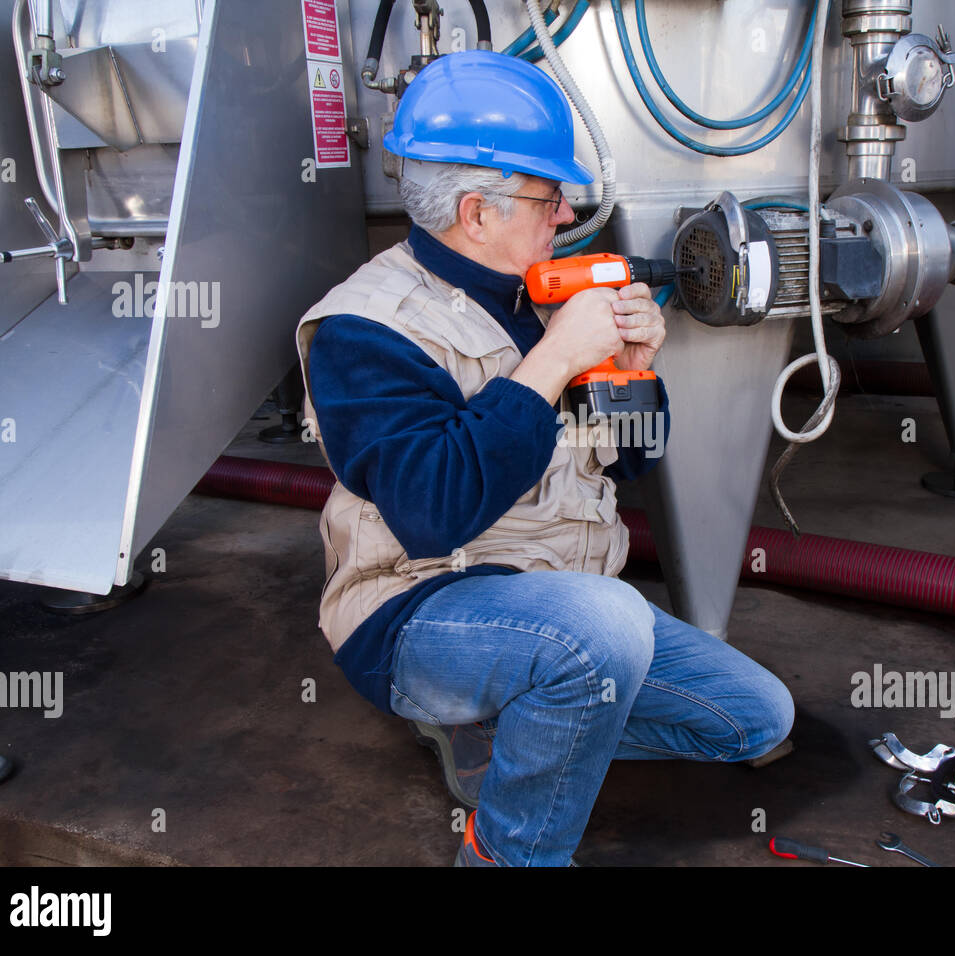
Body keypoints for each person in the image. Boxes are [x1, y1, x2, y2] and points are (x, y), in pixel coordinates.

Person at [295, 50, 794, 867]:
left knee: (755, 718)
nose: (566, 214)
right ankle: (502, 851)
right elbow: (432, 510)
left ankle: (508, 722)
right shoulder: (363, 330)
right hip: (420, 611)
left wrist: (631, 379)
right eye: (548, 196)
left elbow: (628, 466)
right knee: (602, 630)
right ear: (476, 211)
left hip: (567, 611)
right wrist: (555, 358)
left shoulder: (539, 295)